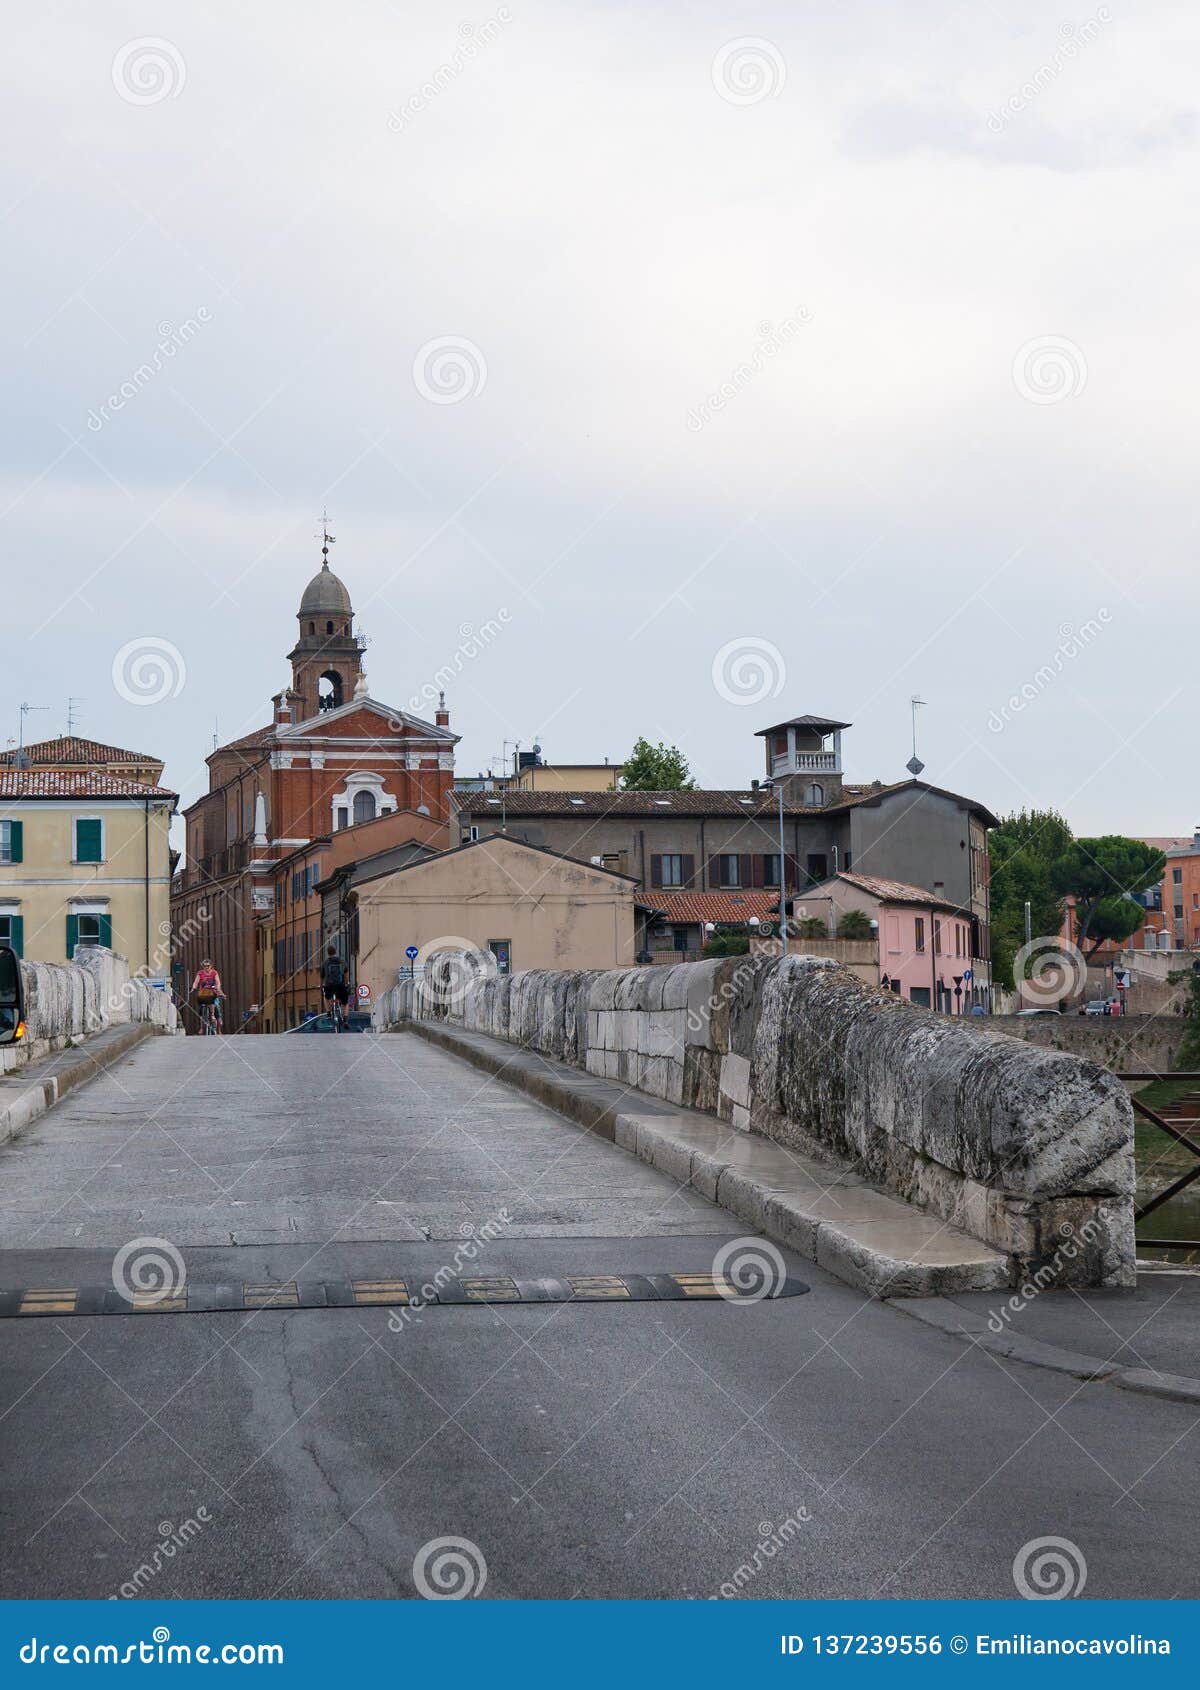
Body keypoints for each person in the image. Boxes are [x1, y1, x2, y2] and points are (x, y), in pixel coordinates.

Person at [191, 959, 224, 1034]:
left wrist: (218, 988)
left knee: (217, 1010)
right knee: (200, 1010)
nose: (206, 967)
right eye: (204, 966)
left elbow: (218, 982)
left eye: (208, 966)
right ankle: (202, 1028)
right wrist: (193, 987)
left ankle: (218, 1028)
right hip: (203, 993)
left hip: (213, 991)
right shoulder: (200, 973)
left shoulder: (214, 973)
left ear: (211, 966)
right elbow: (196, 982)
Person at [320, 946, 350, 1027]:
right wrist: (347, 983)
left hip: (329, 985)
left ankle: (328, 1013)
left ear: (328, 953)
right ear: (335, 952)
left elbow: (322, 976)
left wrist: (321, 986)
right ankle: (346, 1020)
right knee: (346, 1003)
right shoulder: (342, 961)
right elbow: (346, 973)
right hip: (340, 985)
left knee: (326, 997)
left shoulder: (325, 962)